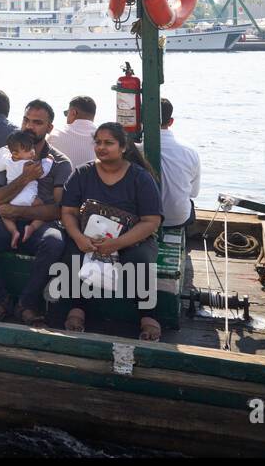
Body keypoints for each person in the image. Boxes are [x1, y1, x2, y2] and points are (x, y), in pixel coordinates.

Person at [0, 98, 73, 324]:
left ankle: (27, 304)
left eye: (37, 122)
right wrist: (25, 178)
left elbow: (58, 210)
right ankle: (0, 300)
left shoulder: (59, 162)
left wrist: (17, 210)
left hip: (39, 224)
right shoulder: (4, 155)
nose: (29, 126)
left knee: (54, 241)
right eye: (26, 120)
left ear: (49, 128)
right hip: (6, 221)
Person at [59, 123, 164, 341]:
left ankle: (148, 314)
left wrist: (117, 244)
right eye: (98, 142)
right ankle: (77, 307)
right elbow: (68, 212)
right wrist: (79, 237)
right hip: (89, 237)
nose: (101, 147)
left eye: (108, 143)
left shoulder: (140, 177)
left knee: (139, 258)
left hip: (132, 239)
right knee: (72, 252)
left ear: (123, 147)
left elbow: (151, 221)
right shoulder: (82, 174)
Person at [0, 129, 52, 247]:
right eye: (28, 150)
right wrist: (48, 160)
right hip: (30, 198)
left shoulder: (8, 161)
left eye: (32, 148)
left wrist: (3, 152)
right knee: (42, 210)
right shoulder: (30, 164)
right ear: (16, 153)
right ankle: (31, 227)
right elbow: (43, 172)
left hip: (12, 199)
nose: (32, 152)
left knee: (4, 214)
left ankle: (14, 232)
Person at [154, 98, 201, 233]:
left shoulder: (136, 149)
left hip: (142, 219)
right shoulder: (190, 151)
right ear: (171, 121)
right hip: (177, 219)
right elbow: (194, 193)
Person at [48, 96, 98, 168]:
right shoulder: (103, 138)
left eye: (66, 113)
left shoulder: (55, 134)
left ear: (73, 113)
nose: (66, 117)